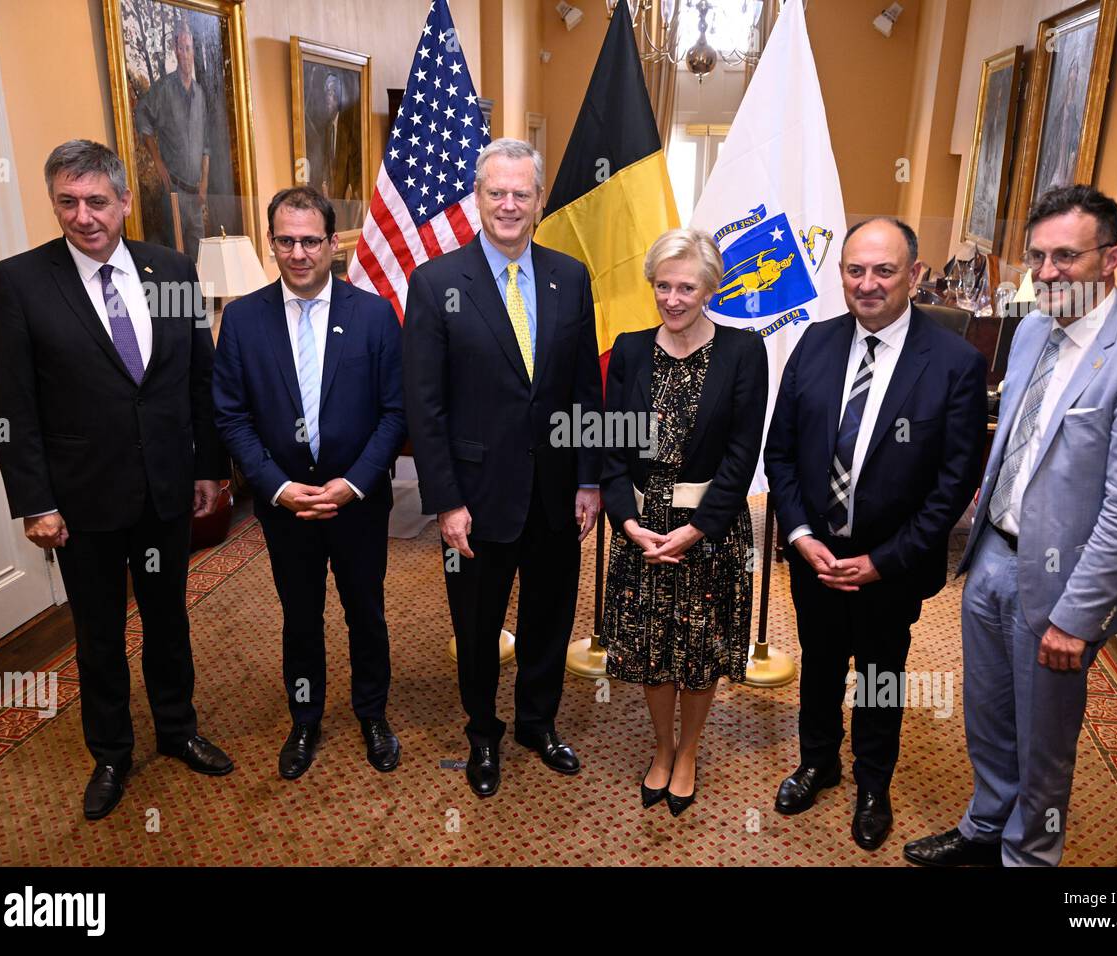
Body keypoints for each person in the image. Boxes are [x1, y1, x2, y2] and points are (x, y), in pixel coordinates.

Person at [904, 186, 1117, 867]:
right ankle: (983, 827)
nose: (1048, 272)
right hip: (993, 558)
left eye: (1067, 256)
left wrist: (1078, 617)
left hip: (1064, 584)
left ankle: (1028, 857)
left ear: (1112, 258)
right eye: (1038, 256)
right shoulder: (1032, 327)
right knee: (990, 718)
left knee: (1045, 740)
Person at [0, 139, 232, 821]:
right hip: (81, 498)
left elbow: (198, 381)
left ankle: (179, 729)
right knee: (97, 635)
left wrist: (211, 469)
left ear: (124, 200)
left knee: (167, 619)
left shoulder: (173, 269)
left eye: (96, 200)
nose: (83, 215)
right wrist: (34, 501)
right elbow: (12, 405)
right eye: (67, 201)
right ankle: (112, 752)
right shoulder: (21, 281)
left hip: (165, 489)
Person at [764, 217, 988, 850]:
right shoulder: (813, 343)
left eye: (884, 271)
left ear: (914, 276)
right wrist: (801, 534)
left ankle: (872, 783)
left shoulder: (956, 365)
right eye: (854, 270)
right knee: (821, 661)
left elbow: (954, 484)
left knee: (880, 674)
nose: (867, 284)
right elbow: (780, 453)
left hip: (892, 563)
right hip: (814, 552)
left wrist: (884, 561)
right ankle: (817, 762)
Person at [403, 138, 602, 798]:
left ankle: (536, 723)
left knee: (549, 616)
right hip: (476, 499)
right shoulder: (436, 284)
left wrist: (589, 478)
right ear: (478, 199)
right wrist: (446, 501)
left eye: (522, 193)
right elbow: (425, 406)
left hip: (554, 493)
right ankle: (483, 732)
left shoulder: (571, 277)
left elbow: (584, 391)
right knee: (477, 625)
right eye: (497, 193)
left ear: (540, 201)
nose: (509, 205)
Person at [213, 186, 407, 780]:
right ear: (272, 243)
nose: (298, 253)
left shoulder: (373, 315)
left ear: (333, 245)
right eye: (286, 241)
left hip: (357, 503)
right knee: (300, 616)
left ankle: (372, 712)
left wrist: (354, 484)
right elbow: (231, 415)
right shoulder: (243, 319)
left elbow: (395, 413)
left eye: (310, 240)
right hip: (286, 506)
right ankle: (305, 718)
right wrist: (274, 486)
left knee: (365, 611)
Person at [599, 228, 767, 816]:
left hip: (709, 532)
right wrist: (625, 521)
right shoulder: (628, 348)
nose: (672, 298)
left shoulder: (744, 351)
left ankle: (690, 751)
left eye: (686, 287)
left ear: (709, 289)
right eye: (663, 286)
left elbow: (743, 454)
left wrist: (698, 528)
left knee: (700, 647)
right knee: (651, 647)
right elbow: (612, 449)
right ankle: (662, 749)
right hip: (643, 530)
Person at [135, 18, 210, 260]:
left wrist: (204, 185)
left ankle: (200, 300)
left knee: (201, 261)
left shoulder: (200, 95)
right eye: (181, 48)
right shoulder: (164, 90)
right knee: (176, 260)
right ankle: (179, 300)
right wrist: (157, 161)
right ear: (175, 51)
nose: (185, 54)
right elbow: (142, 118)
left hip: (196, 194)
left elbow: (205, 145)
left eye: (189, 48)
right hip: (175, 192)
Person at [318, 72, 361, 202]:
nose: (327, 98)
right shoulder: (326, 129)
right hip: (329, 198)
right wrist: (324, 183)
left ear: (338, 97)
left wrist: (351, 187)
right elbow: (324, 161)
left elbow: (357, 161)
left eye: (330, 93)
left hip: (346, 200)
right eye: (325, 93)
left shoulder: (348, 130)